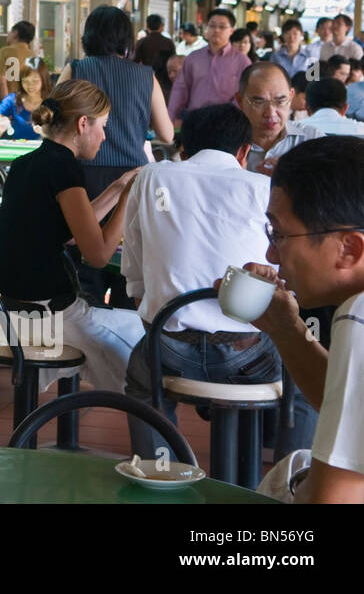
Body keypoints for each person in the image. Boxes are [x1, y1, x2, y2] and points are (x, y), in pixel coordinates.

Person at [122, 104, 316, 459]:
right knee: (304, 384)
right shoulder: (264, 187)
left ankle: (159, 481)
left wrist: (154, 310)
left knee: (142, 384)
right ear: (244, 151)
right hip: (248, 356)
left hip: (168, 347)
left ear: (184, 149)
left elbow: (133, 268)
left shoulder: (152, 177)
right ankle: (290, 480)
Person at [0, 80, 144, 392]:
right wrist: (130, 198)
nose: (104, 136)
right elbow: (97, 254)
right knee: (144, 337)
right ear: (82, 124)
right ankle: (152, 436)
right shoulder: (64, 169)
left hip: (16, 309)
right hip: (51, 317)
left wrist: (118, 188)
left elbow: (70, 232)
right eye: (102, 126)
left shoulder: (28, 163)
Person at [241, 136, 364, 502]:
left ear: (349, 248)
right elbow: (346, 408)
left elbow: (334, 499)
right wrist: (286, 328)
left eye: (279, 234)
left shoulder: (358, 315)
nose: (270, 253)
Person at [59, 5, 173, 196]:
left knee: (83, 226)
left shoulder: (75, 70)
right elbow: (167, 135)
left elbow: (51, 121)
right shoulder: (145, 76)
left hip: (81, 175)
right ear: (127, 38)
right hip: (133, 176)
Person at [235, 62, 324, 174]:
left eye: (280, 101)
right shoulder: (225, 144)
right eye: (259, 102)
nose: (271, 113)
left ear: (291, 96)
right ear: (240, 100)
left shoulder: (312, 140)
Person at [168, 7, 248, 123]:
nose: (216, 30)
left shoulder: (242, 62)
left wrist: (231, 118)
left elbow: (246, 94)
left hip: (227, 124)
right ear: (206, 28)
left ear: (231, 31)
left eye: (222, 27)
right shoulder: (193, 58)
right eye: (212, 25)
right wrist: (170, 119)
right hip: (195, 121)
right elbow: (180, 91)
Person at [0, 64, 47, 141]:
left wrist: (44, 132)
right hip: (18, 151)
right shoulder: (11, 100)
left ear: (44, 80)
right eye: (25, 81)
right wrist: (0, 129)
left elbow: (62, 139)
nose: (30, 85)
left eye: (35, 81)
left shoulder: (52, 103)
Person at [0, 21, 35, 100]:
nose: (9, 34)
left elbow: (1, 80)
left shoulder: (5, 51)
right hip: (24, 103)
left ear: (15, 33)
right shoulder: (33, 56)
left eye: (11, 31)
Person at [133, 14, 175, 90]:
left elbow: (135, 61)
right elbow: (173, 61)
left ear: (147, 26)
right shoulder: (168, 42)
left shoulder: (142, 42)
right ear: (161, 26)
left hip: (146, 79)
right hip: (165, 81)